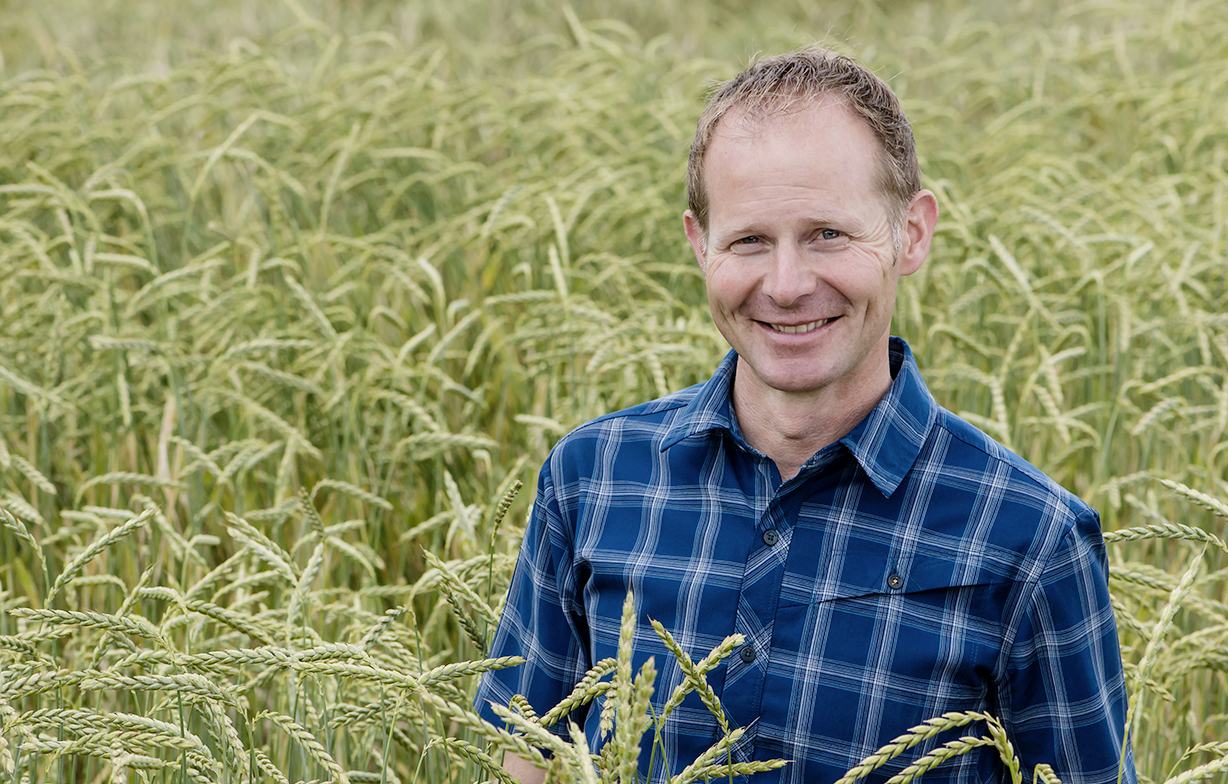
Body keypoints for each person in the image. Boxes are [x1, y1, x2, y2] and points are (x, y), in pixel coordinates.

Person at [475, 46, 1135, 784]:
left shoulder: (1030, 537)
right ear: (700, 245)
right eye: (750, 240)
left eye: (828, 234)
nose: (786, 286)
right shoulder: (593, 479)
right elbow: (525, 753)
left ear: (910, 234)